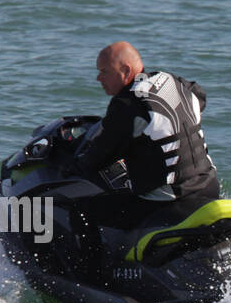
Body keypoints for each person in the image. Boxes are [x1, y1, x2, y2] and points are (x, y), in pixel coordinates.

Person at [72, 41, 221, 229]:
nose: (98, 78)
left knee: (81, 211)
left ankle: (99, 259)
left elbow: (97, 159)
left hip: (170, 201)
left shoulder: (127, 105)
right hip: (209, 185)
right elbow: (200, 98)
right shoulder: (173, 81)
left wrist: (72, 165)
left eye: (104, 72)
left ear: (126, 71)